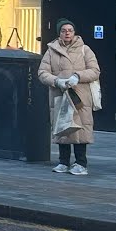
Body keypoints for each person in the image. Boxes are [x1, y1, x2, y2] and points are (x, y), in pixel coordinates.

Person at [38, 19, 101, 175]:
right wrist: (56, 81)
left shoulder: (85, 50)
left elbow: (95, 71)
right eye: (63, 30)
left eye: (70, 30)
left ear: (74, 32)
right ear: (59, 33)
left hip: (79, 96)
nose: (67, 33)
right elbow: (42, 73)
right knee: (63, 127)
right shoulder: (51, 51)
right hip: (60, 95)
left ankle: (81, 163)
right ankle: (63, 162)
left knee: (81, 128)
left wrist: (77, 76)